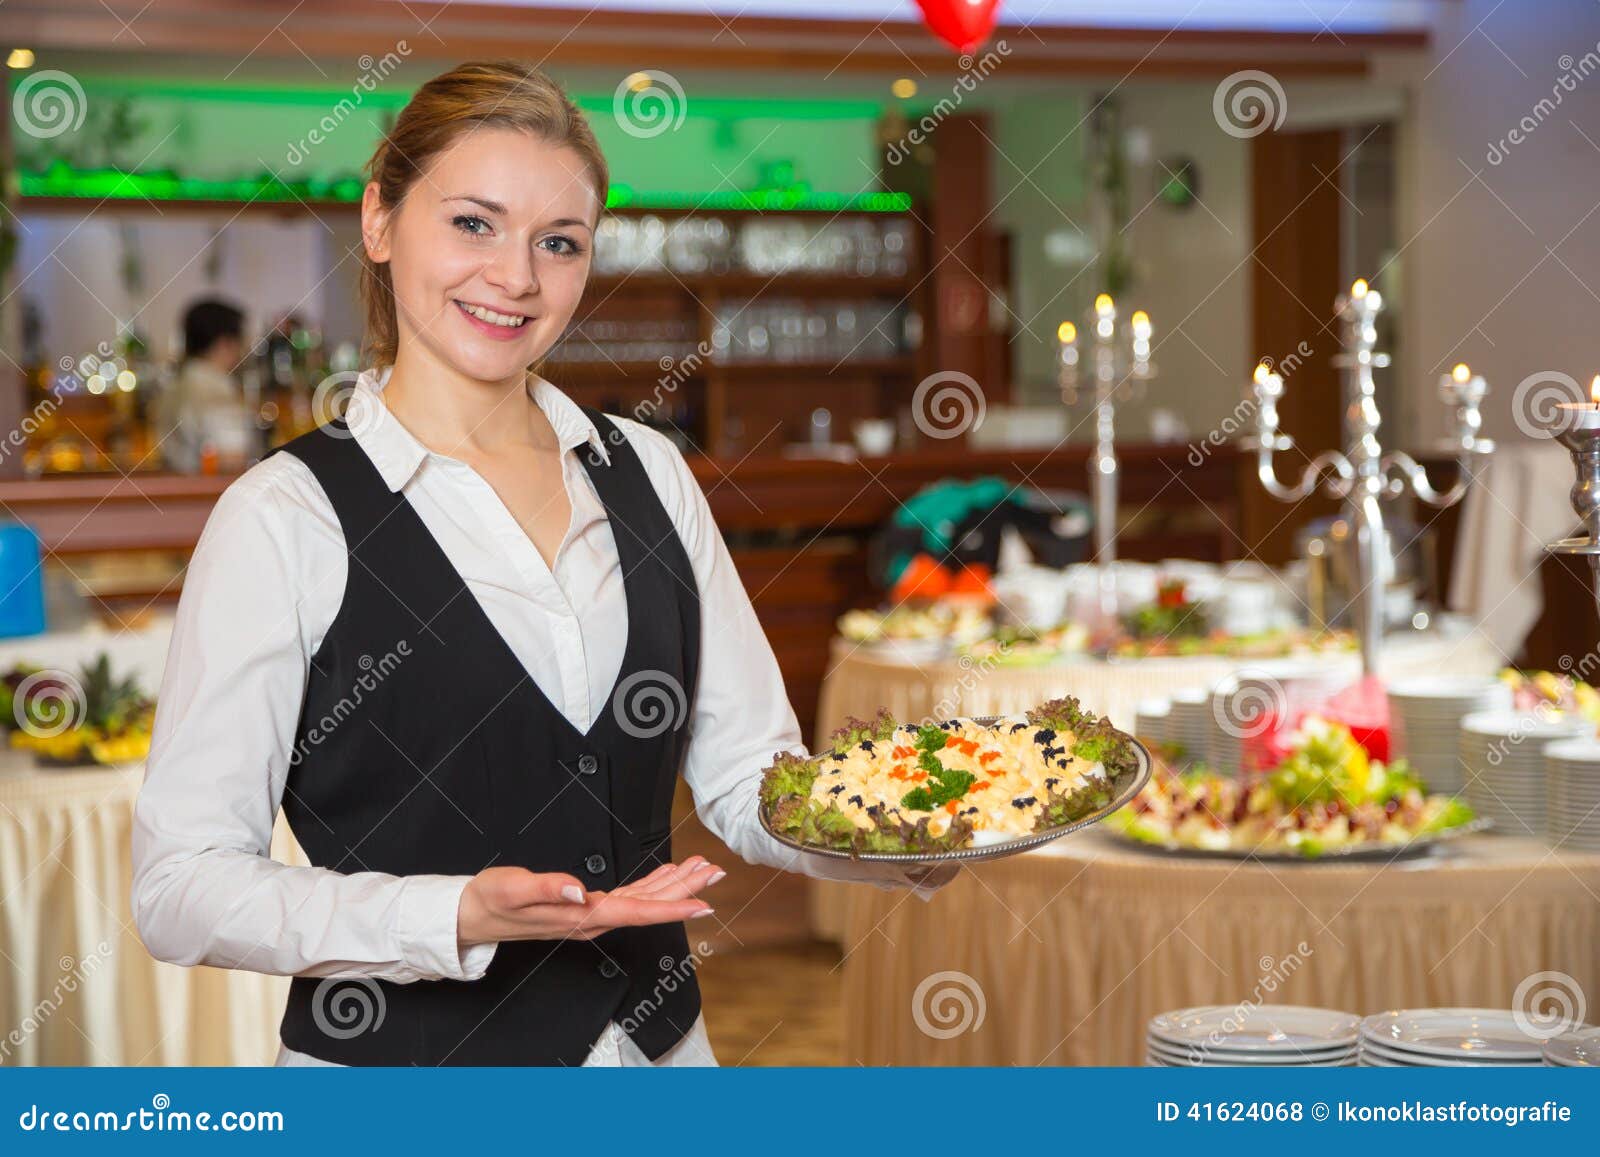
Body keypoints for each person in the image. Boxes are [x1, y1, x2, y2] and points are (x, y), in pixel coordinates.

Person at [130, 60, 947, 1069]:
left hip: (658, 1055)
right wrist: (450, 913)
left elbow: (747, 774)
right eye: (473, 222)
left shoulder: (647, 471)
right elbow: (180, 886)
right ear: (378, 221)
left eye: (558, 242)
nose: (516, 276)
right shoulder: (282, 517)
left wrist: (902, 830)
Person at [154, 298, 255, 473]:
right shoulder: (216, 394)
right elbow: (234, 463)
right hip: (212, 496)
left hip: (179, 492)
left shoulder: (173, 388)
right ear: (225, 343)